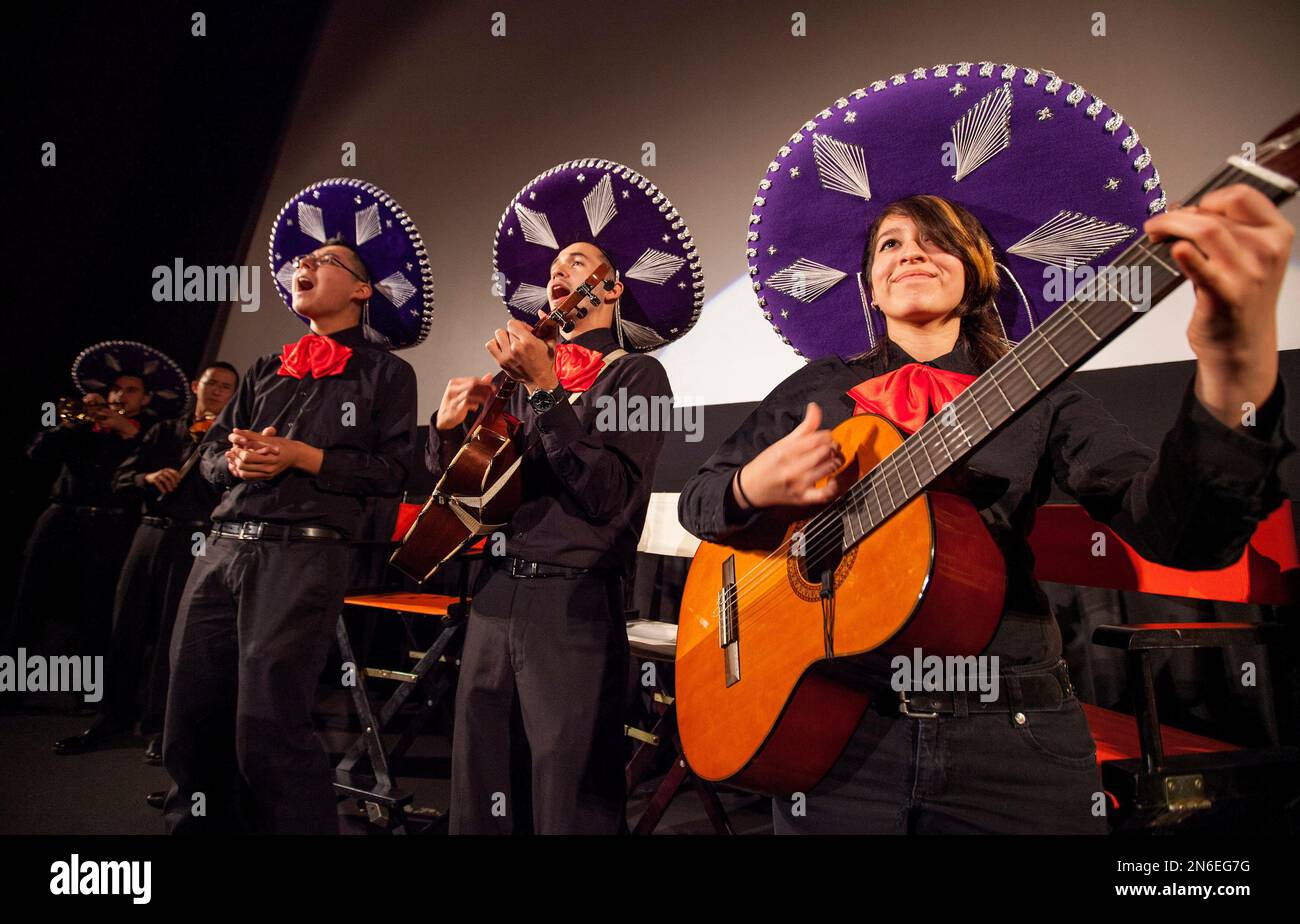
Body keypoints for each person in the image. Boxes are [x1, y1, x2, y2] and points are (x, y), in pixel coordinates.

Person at [677, 66, 1294, 833]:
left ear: (976, 274)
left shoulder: (1039, 386)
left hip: (1011, 738)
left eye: (938, 241)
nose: (911, 253)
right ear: (869, 284)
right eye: (890, 243)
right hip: (840, 736)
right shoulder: (819, 389)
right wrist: (747, 490)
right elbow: (703, 502)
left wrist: (1235, 373)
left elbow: (1182, 535)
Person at [429, 159, 702, 833]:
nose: (558, 270)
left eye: (577, 260)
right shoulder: (518, 381)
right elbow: (468, 501)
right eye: (554, 264)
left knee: (566, 793)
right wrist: (446, 436)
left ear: (611, 288)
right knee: (479, 782)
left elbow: (606, 494)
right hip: (494, 591)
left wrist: (550, 392)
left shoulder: (640, 377)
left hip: (573, 600)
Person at [161, 178, 431, 834]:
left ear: (363, 290)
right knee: (190, 720)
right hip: (224, 547)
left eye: (327, 261)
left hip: (303, 553)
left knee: (267, 729)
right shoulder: (264, 367)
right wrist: (237, 462)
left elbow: (395, 473)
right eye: (303, 261)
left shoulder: (387, 374)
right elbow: (211, 459)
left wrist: (303, 458)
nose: (304, 266)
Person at [54, 361, 239, 759]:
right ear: (196, 385)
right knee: (126, 623)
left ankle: (159, 725)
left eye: (227, 387)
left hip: (196, 537)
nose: (218, 391)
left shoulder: (229, 441)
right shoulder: (163, 431)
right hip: (150, 530)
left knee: (173, 632)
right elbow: (122, 478)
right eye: (212, 383)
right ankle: (111, 716)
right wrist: (148, 478)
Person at [9, 343, 189, 684]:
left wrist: (127, 433)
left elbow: (146, 476)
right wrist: (69, 425)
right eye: (116, 388)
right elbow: (36, 453)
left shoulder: (151, 432)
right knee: (30, 597)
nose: (121, 395)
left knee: (97, 606)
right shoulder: (82, 424)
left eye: (131, 390)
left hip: (111, 525)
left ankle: (86, 692)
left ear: (146, 399)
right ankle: (14, 684)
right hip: (61, 516)